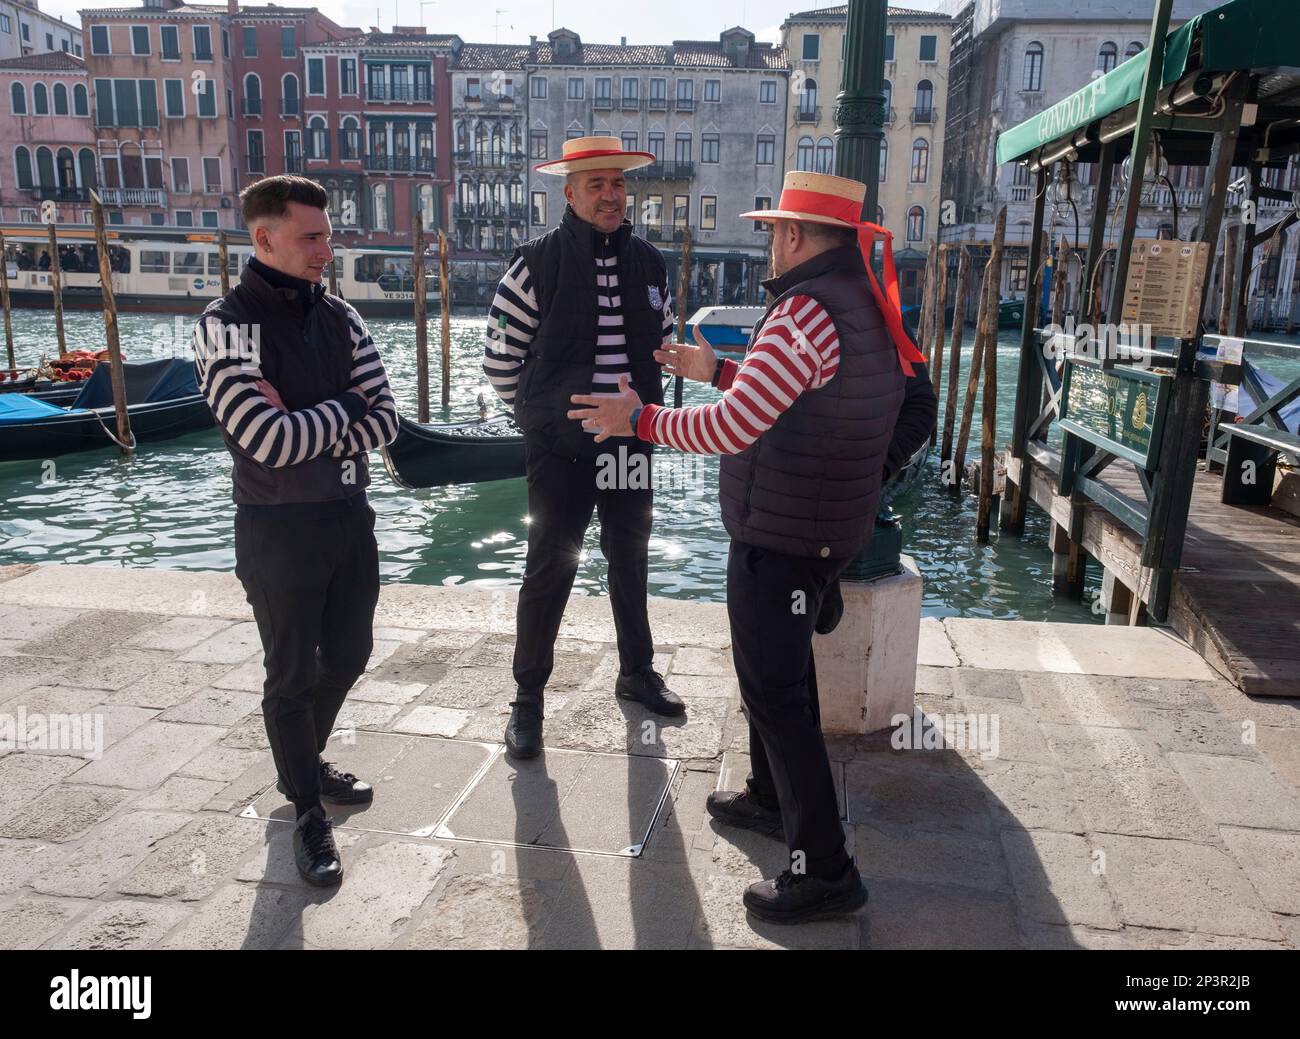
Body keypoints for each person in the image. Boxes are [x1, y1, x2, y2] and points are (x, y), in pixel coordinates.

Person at [569, 170, 930, 924]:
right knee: (785, 670)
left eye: (772, 231)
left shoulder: (802, 313)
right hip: (823, 523)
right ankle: (771, 799)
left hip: (786, 530)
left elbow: (733, 427)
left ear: (793, 235)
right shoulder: (858, 301)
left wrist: (636, 420)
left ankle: (823, 869)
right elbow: (800, 398)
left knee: (776, 692)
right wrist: (718, 370)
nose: (769, 242)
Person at [191, 175, 399, 887]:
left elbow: (388, 419)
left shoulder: (342, 316)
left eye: (327, 234)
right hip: (276, 526)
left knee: (350, 650)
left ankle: (303, 760)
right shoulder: (228, 325)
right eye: (311, 236)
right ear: (265, 237)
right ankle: (307, 808)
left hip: (348, 517)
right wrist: (346, 404)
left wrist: (317, 417)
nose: (325, 248)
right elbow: (263, 440)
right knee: (291, 672)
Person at [482, 136, 684, 759]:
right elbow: (499, 362)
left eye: (618, 184)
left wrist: (640, 417)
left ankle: (636, 670)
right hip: (562, 452)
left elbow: (667, 341)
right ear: (569, 193)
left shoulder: (649, 263)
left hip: (629, 443)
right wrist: (545, 418)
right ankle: (527, 698)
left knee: (631, 560)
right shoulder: (534, 264)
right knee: (549, 571)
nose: (610, 195)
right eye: (596, 185)